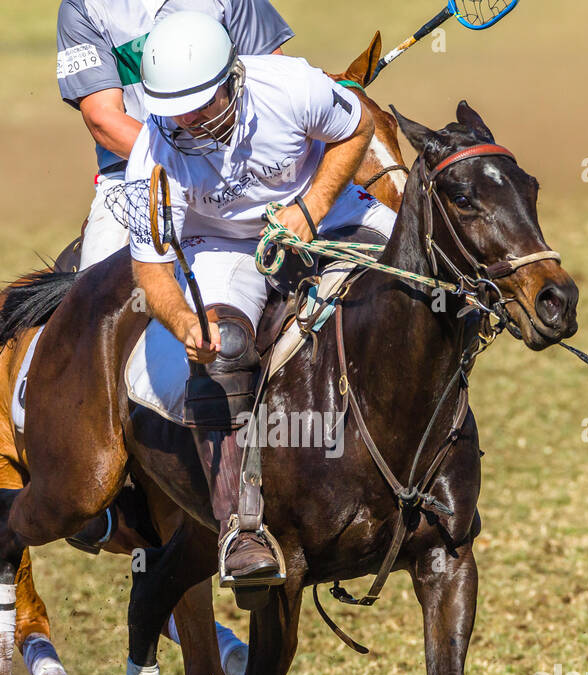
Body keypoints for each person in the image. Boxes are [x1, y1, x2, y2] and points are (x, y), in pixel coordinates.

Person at [125, 10, 396, 581]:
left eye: (203, 103)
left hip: (325, 211)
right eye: (178, 111)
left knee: (425, 276)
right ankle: (241, 531)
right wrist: (184, 324)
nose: (192, 122)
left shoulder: (290, 85)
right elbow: (150, 269)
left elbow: (356, 130)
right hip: (224, 246)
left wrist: (310, 208)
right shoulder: (153, 153)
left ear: (233, 78)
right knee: (222, 349)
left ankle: (441, 454)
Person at [57, 0, 293, 270]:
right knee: (98, 287)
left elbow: (276, 77)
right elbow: (103, 120)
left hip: (246, 158)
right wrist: (191, 166)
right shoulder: (83, 7)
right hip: (140, 175)